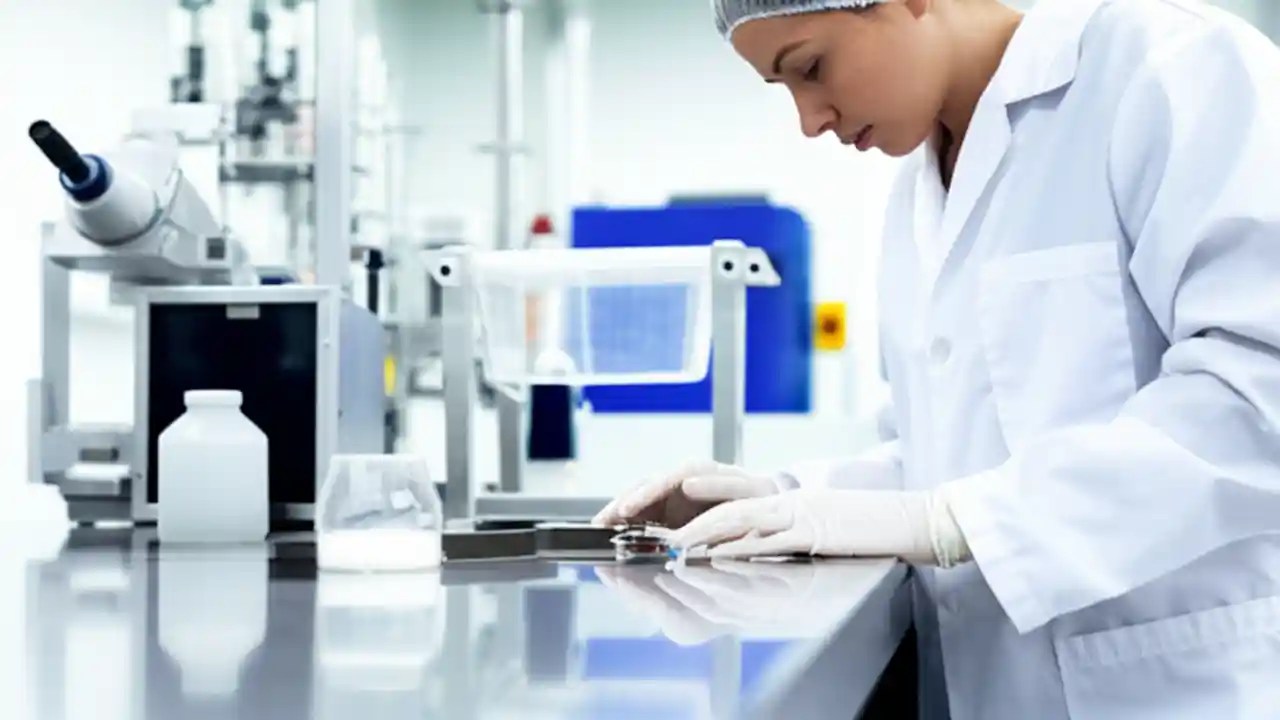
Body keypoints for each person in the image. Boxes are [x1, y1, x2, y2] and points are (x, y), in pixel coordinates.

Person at [592, 0, 1280, 717]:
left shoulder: (1170, 69)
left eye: (810, 68)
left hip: (1173, 685)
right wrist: (780, 499)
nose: (809, 119)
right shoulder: (912, 197)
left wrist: (954, 523)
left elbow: (1259, 397)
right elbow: (937, 459)